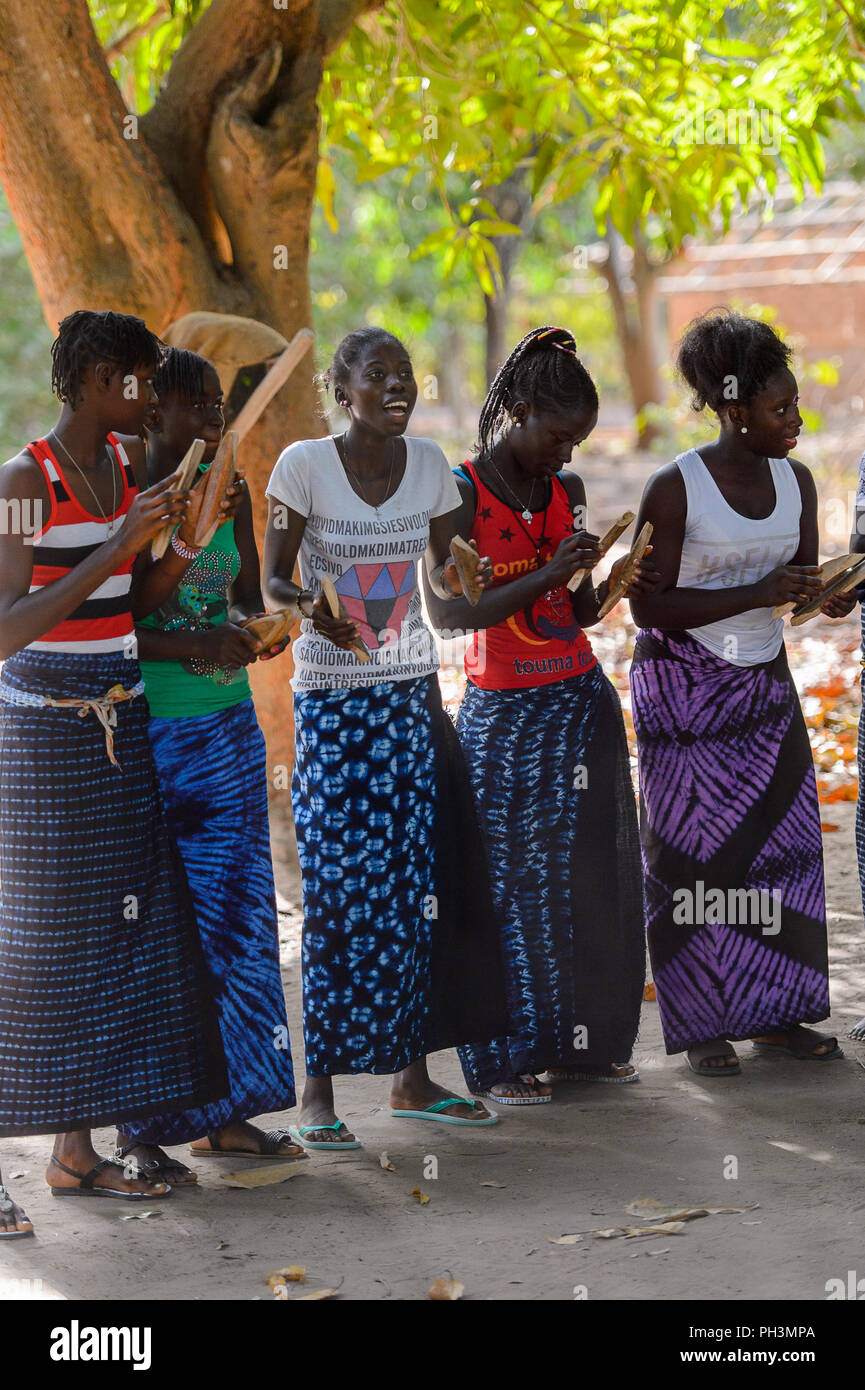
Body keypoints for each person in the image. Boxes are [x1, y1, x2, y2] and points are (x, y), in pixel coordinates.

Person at [0, 310, 229, 1235]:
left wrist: (175, 541)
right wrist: (115, 544)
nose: (149, 402)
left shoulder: (133, 472)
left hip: (121, 722)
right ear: (97, 381)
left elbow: (133, 604)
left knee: (112, 945)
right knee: (33, 951)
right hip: (47, 738)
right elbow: (7, 627)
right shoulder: (23, 481)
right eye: (138, 383)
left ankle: (74, 1154)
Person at [262, 326, 508, 1149]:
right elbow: (271, 578)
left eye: (404, 373)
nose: (397, 385)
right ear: (344, 393)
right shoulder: (302, 466)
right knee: (336, 891)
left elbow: (443, 575)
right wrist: (308, 612)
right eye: (379, 375)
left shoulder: (434, 468)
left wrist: (461, 570)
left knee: (410, 889)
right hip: (332, 705)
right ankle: (316, 1095)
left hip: (407, 694)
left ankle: (411, 1079)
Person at [423, 326, 650, 1104]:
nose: (567, 454)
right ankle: (505, 1060)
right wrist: (550, 569)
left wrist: (606, 579)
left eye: (579, 441)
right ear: (515, 411)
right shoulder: (456, 492)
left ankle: (583, 1047)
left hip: (578, 701)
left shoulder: (565, 493)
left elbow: (573, 611)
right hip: (504, 714)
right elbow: (449, 613)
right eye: (558, 436)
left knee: (588, 881)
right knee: (510, 890)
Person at [629, 308, 847, 1076]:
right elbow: (644, 606)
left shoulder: (797, 480)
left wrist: (831, 594)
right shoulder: (674, 487)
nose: (795, 419)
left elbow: (799, 590)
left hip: (762, 682)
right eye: (778, 408)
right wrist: (757, 590)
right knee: (694, 855)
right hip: (682, 685)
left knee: (782, 849)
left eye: (793, 405)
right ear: (731, 411)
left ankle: (779, 1012)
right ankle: (705, 1023)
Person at [112, 347, 302, 1183]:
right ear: (153, 413)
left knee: (240, 925)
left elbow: (248, 596)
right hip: (154, 736)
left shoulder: (232, 489)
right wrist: (196, 642)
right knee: (159, 932)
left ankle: (228, 1115)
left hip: (227, 732)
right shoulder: (122, 496)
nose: (214, 422)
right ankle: (144, 1125)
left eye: (220, 406)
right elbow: (110, 623)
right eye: (198, 407)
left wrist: (268, 628)